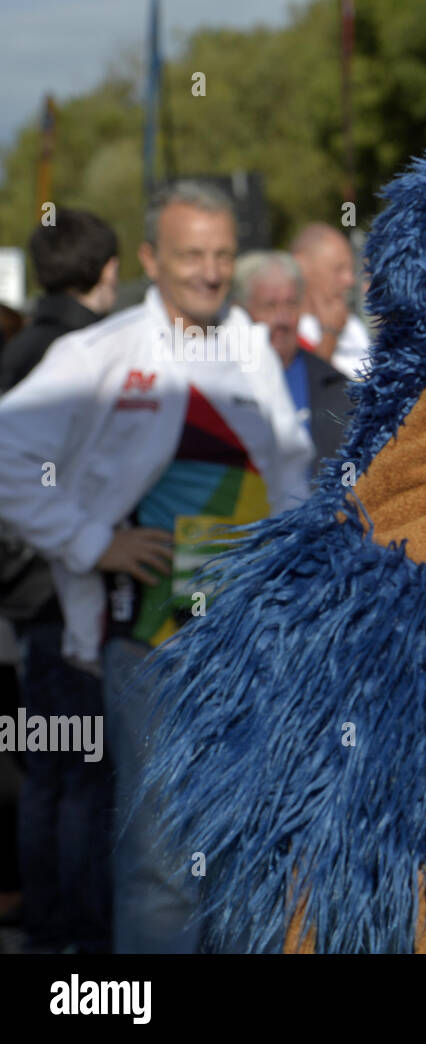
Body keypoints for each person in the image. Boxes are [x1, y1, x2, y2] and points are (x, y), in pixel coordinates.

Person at [0, 181, 312, 953]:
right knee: (162, 860)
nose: (210, 272)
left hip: (248, 642)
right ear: (149, 260)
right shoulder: (96, 354)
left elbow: (291, 478)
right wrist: (91, 541)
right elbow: (7, 457)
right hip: (146, 643)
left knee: (245, 845)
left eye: (222, 255)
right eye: (191, 256)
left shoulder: (248, 348)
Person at [0, 209, 119, 953]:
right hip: (63, 590)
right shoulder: (80, 357)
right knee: (83, 774)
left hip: (22, 593)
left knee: (45, 766)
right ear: (109, 272)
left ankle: (42, 920)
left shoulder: (17, 350)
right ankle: (79, 933)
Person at [231, 251, 353, 468]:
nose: (283, 319)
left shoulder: (335, 386)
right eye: (270, 305)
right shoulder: (220, 381)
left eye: (291, 304)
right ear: (240, 311)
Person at [292, 223, 371, 379]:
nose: (350, 280)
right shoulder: (286, 329)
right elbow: (306, 389)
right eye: (338, 269)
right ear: (302, 266)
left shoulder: (353, 326)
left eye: (350, 270)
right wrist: (330, 334)